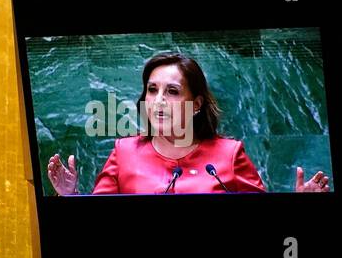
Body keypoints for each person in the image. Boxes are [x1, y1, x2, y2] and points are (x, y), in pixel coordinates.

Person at [47, 52, 330, 196]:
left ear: (195, 103)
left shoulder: (229, 154)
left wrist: (299, 206)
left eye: (172, 91)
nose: (158, 100)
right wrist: (71, 196)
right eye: (152, 89)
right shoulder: (124, 152)